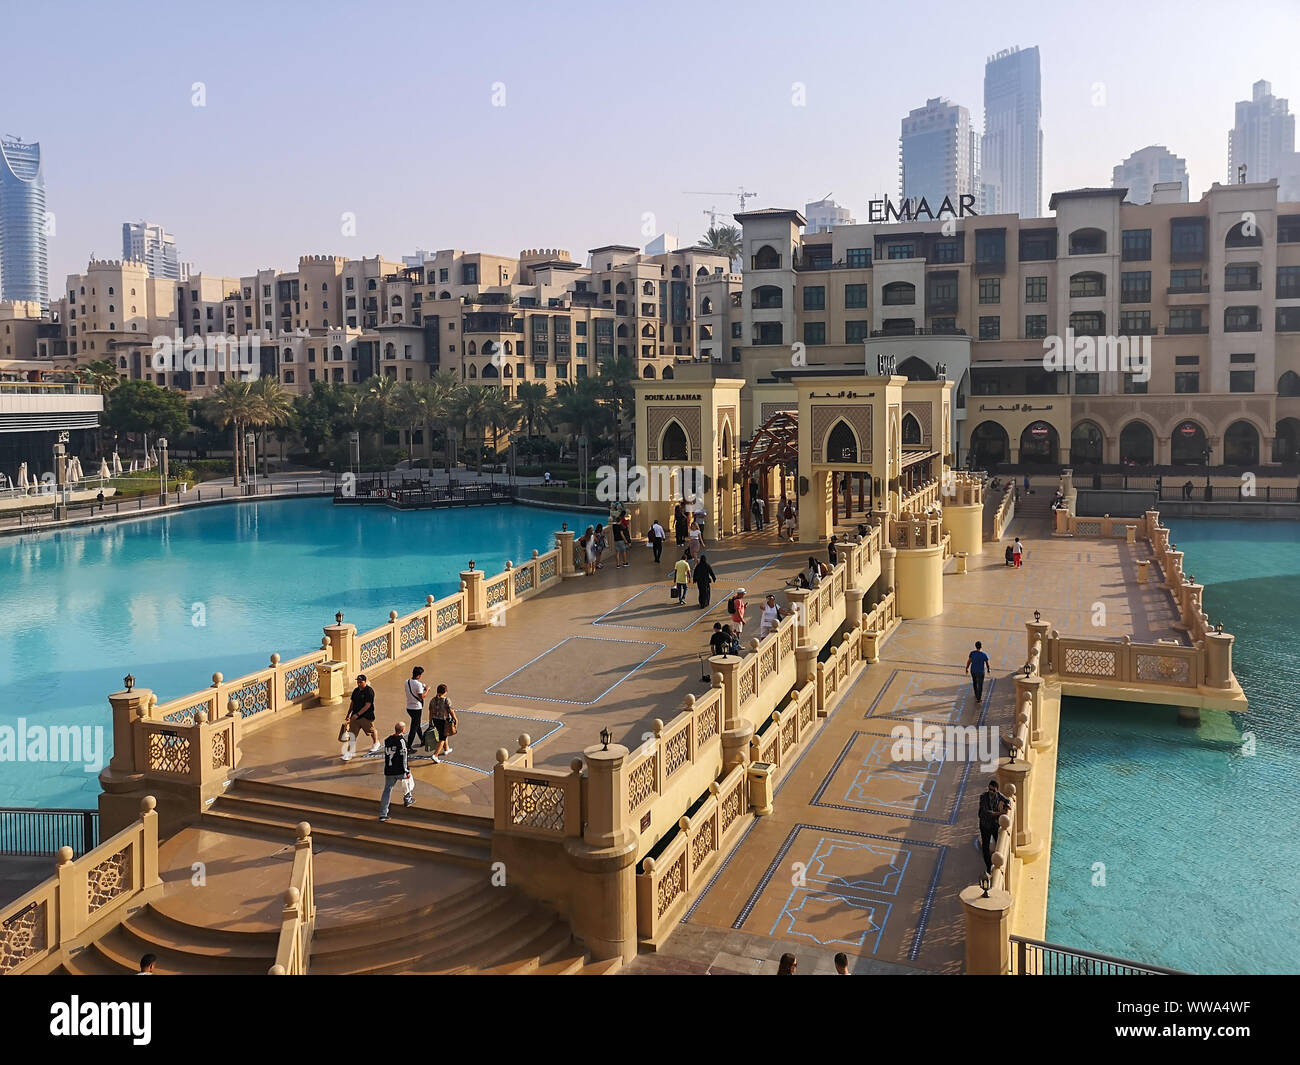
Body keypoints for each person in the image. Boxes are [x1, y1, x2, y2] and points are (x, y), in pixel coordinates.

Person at [379, 721, 415, 822]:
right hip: (399, 769)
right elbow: (404, 758)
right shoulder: (402, 741)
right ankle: (408, 799)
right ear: (403, 730)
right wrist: (406, 771)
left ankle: (383, 813)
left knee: (387, 790)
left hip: (389, 769)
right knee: (408, 780)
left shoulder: (388, 740)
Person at [341, 673, 380, 761]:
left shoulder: (369, 691)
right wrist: (348, 714)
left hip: (366, 716)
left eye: (360, 682)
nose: (359, 684)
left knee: (371, 730)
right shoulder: (356, 691)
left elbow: (368, 705)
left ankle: (376, 743)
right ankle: (349, 753)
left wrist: (357, 714)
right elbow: (352, 703)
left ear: (365, 682)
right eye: (358, 682)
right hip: (354, 717)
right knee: (352, 735)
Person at [978, 778, 1011, 872]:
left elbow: (1006, 799)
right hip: (985, 825)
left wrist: (1006, 805)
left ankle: (999, 861)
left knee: (999, 841)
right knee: (985, 846)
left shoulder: (998, 795)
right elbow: (987, 812)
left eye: (993, 790)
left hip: (993, 824)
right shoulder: (983, 797)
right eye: (989, 789)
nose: (991, 791)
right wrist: (1000, 813)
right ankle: (988, 866)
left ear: (997, 790)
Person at [427, 683, 456, 761]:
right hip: (444, 721)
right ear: (445, 691)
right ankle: (435, 755)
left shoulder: (432, 700)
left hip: (435, 720)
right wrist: (455, 719)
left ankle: (447, 749)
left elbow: (430, 712)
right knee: (442, 738)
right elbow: (451, 711)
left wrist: (430, 722)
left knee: (443, 734)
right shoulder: (446, 700)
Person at [404, 666, 428, 752]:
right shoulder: (418, 684)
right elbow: (422, 697)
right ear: (418, 675)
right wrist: (427, 690)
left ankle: (422, 740)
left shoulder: (407, 682)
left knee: (417, 724)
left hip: (409, 707)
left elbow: (415, 687)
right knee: (414, 727)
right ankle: (409, 746)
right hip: (416, 708)